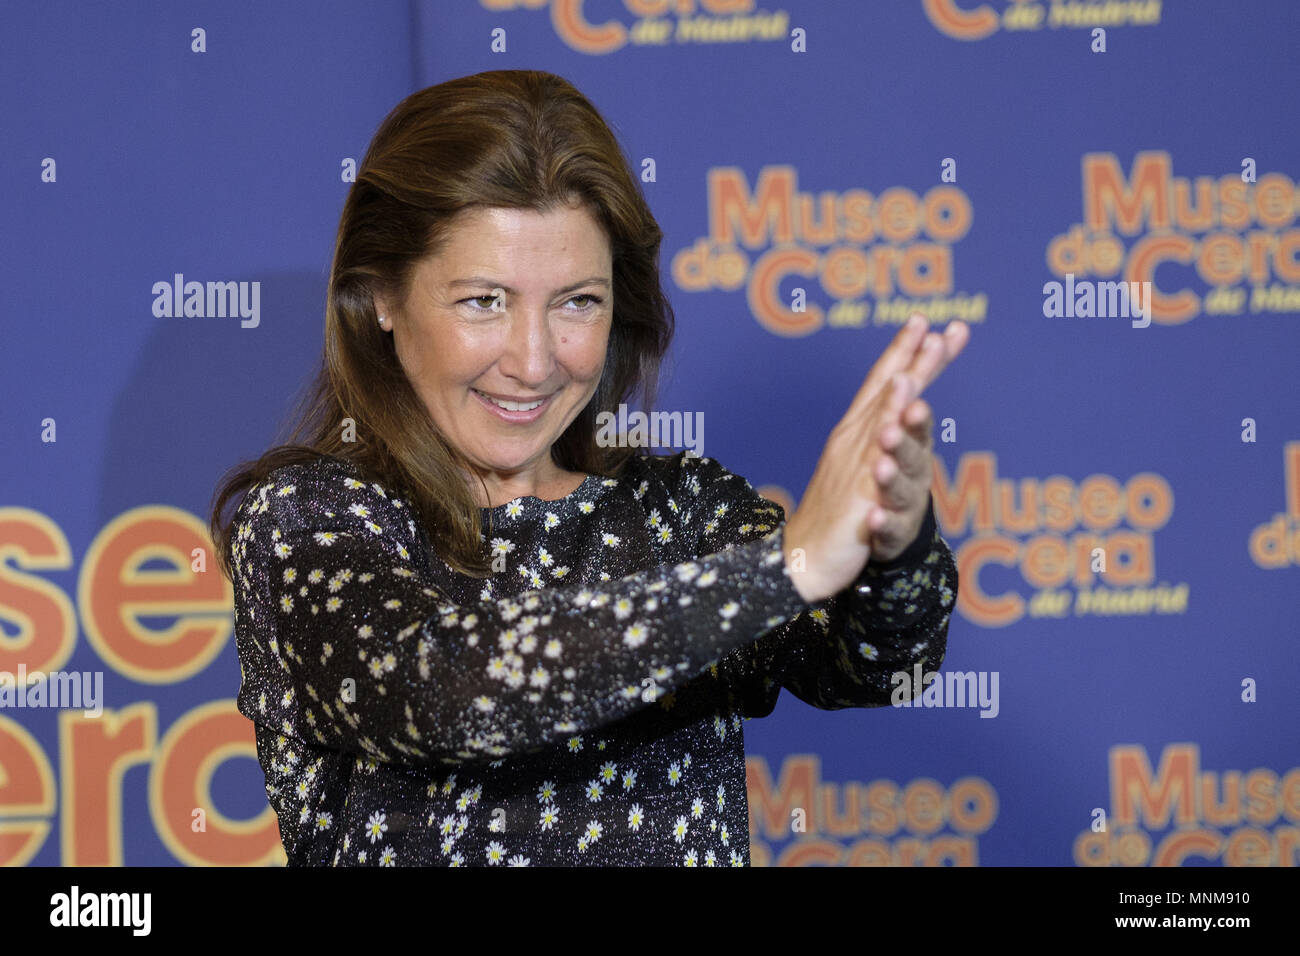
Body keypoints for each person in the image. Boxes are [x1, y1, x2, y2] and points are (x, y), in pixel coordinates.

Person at [209, 69, 969, 867]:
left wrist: (895, 535)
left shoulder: (680, 513)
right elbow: (444, 691)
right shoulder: (312, 519)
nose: (534, 361)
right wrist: (782, 569)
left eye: (578, 302)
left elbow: (885, 666)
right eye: (483, 301)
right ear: (380, 299)